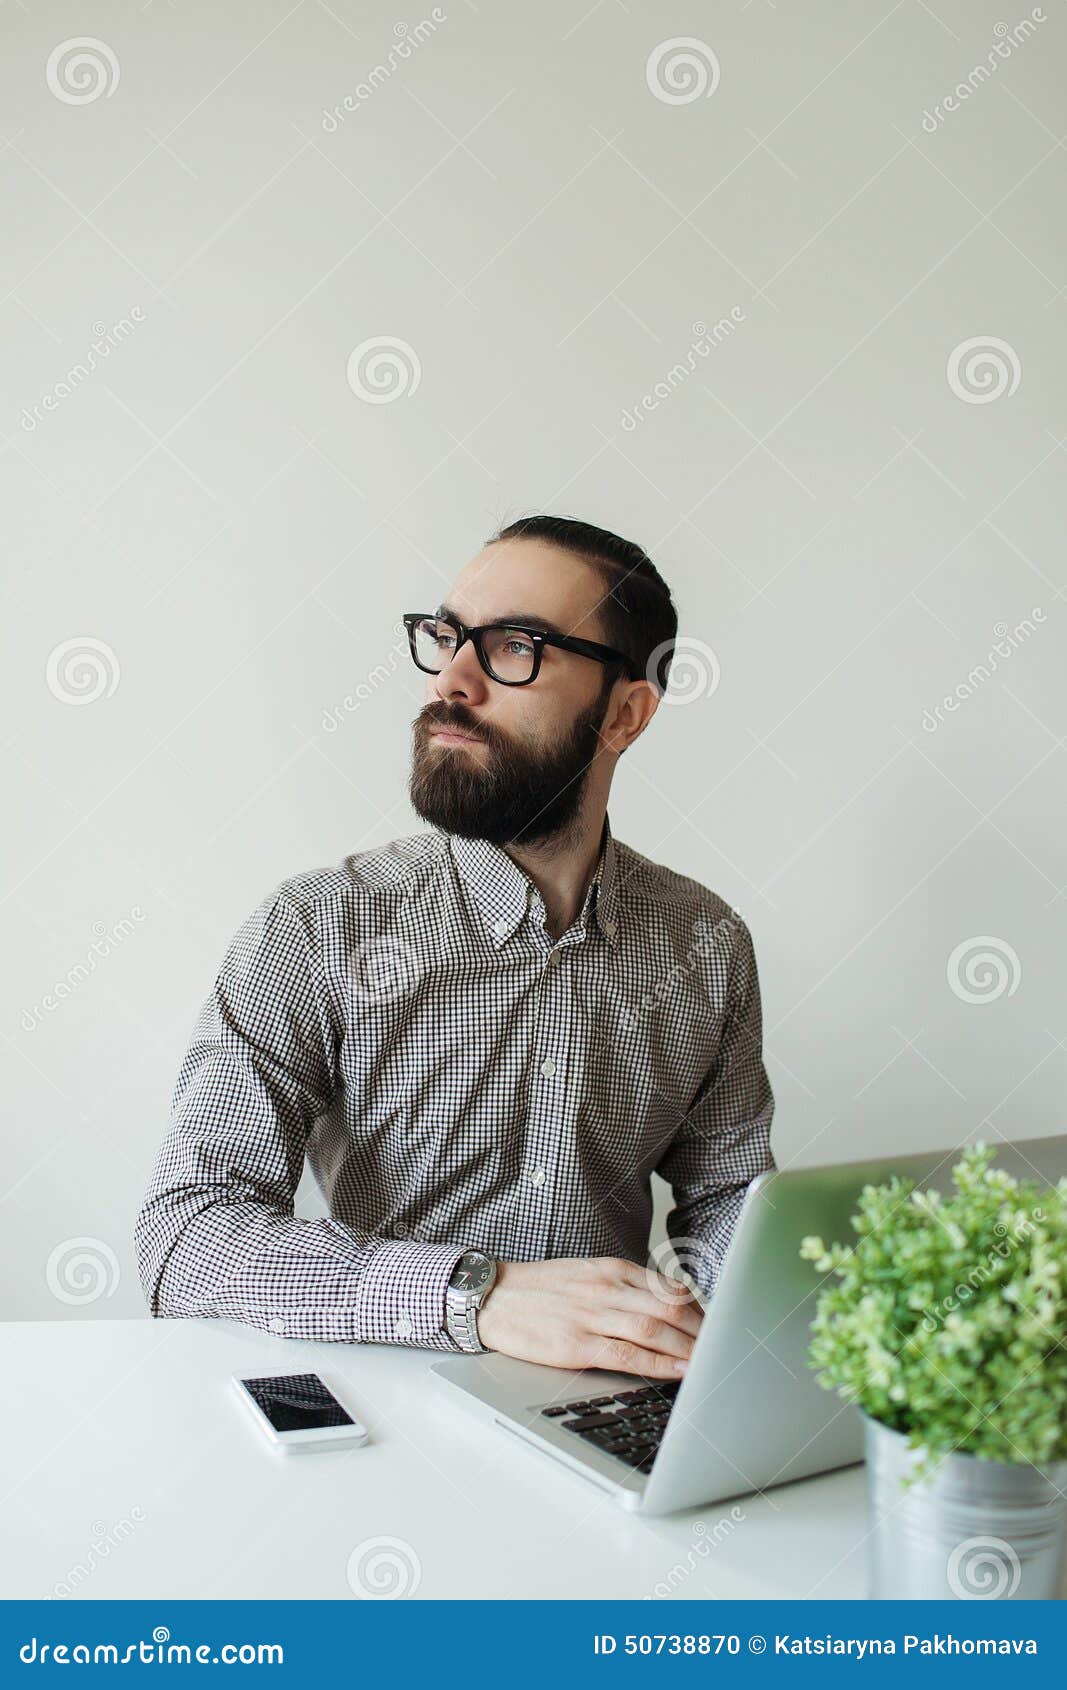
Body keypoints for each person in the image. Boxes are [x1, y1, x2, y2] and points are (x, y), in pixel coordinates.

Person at [134, 514, 775, 1381]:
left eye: (516, 645)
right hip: (389, 1417)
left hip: (614, 1410)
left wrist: (700, 1312)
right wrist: (476, 1294)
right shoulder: (318, 929)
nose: (453, 679)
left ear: (625, 713)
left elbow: (728, 1196)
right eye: (446, 637)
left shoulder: (706, 945)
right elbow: (186, 1238)